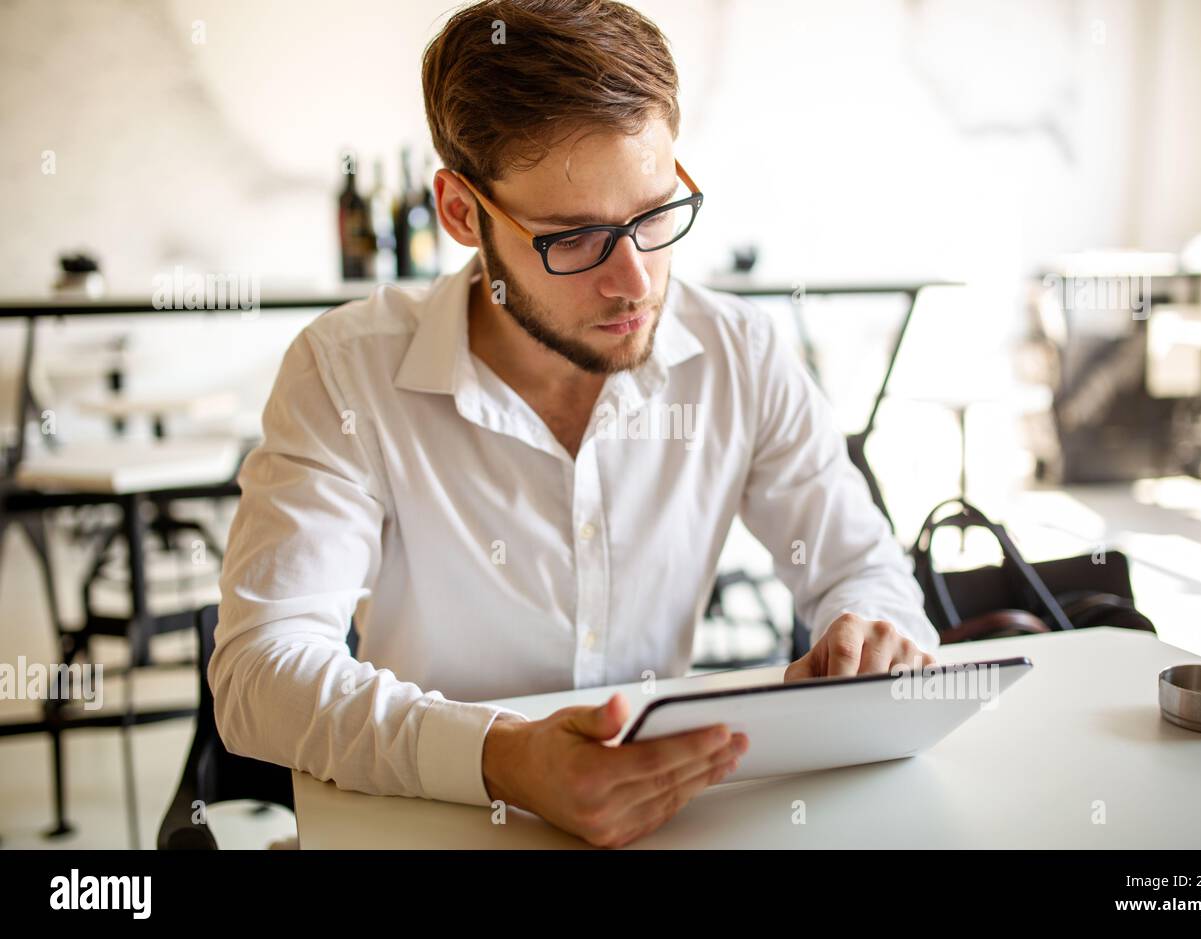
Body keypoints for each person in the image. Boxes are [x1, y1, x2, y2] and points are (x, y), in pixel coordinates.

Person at [212, 0, 938, 850]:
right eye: (576, 238)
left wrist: (868, 631)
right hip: (431, 829)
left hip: (670, 825)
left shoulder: (740, 353)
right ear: (459, 212)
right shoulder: (348, 369)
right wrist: (503, 758)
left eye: (655, 214)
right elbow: (259, 673)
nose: (634, 281)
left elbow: (867, 573)